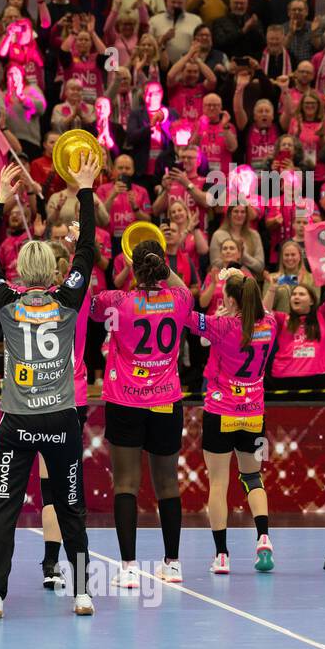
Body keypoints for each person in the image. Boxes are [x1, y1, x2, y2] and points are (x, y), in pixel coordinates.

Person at [0, 157, 97, 619]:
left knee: (5, 506)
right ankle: (82, 592)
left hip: (18, 423)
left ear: (19, 272)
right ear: (51, 273)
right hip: (61, 422)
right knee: (71, 506)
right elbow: (86, 249)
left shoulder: (6, 302)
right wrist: (84, 189)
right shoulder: (67, 299)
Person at [90, 213, 193, 587]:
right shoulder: (179, 300)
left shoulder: (118, 300)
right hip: (166, 401)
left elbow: (90, 301)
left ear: (132, 267)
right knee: (168, 483)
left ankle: (129, 567)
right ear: (164, 267)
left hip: (125, 401)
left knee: (126, 484)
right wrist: (166, 268)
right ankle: (173, 563)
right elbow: (185, 289)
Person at [187, 268, 277, 574]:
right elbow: (257, 306)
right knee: (253, 478)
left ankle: (222, 555)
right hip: (253, 412)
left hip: (221, 410)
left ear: (230, 301)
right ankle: (263, 537)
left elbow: (185, 313)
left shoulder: (221, 325)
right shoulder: (271, 324)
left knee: (219, 482)